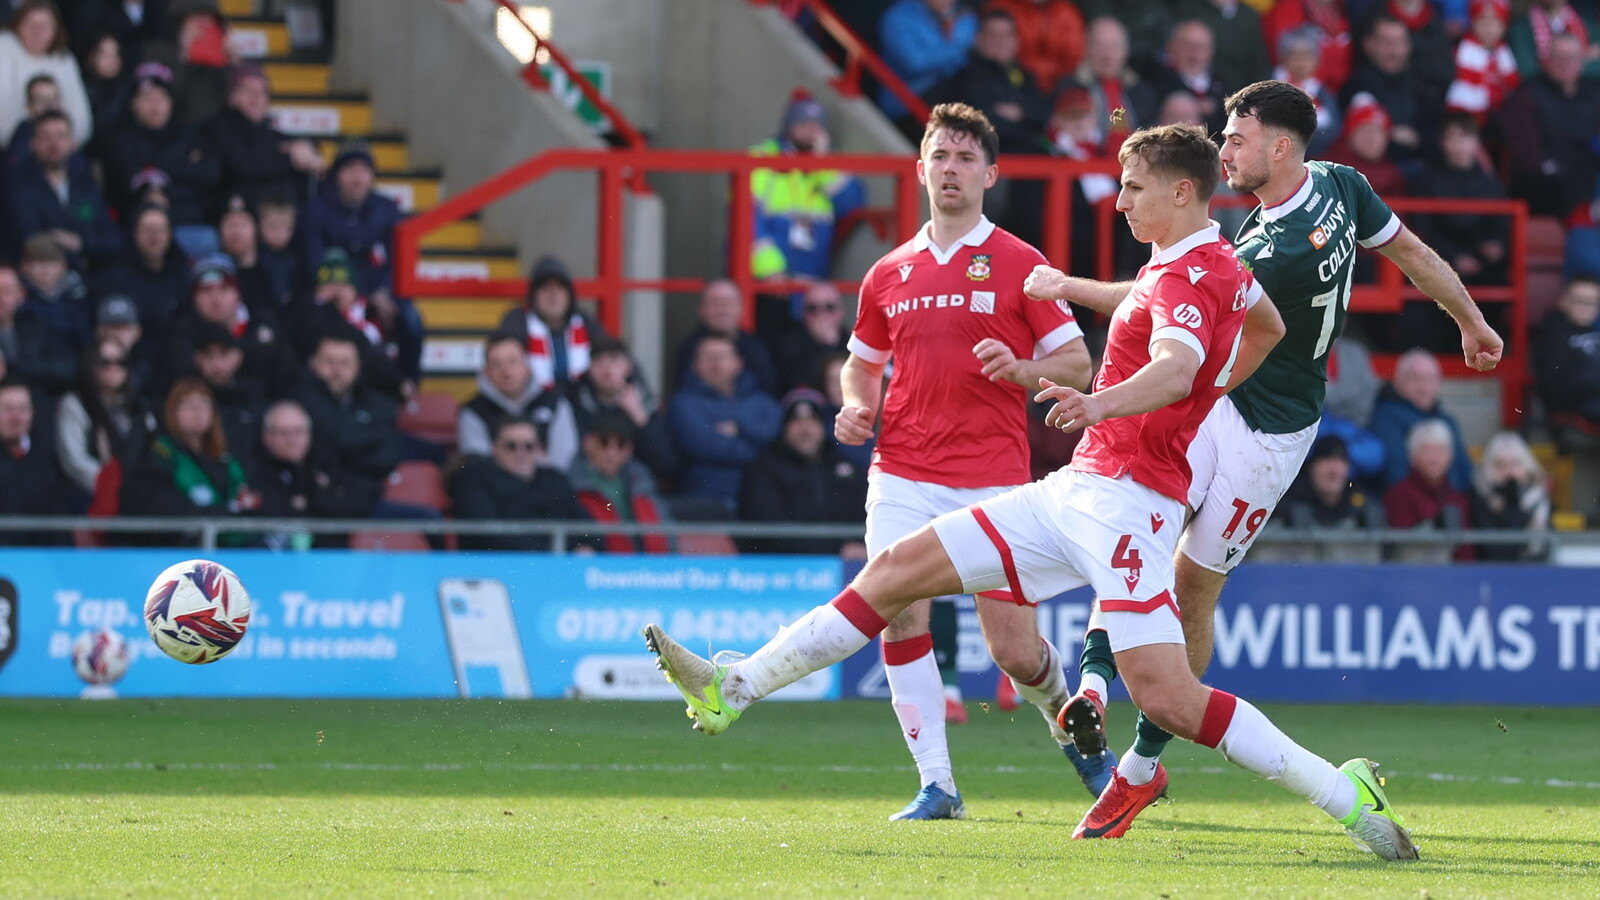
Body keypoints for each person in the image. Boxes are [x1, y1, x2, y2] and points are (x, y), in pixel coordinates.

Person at [647, 124, 1421, 864]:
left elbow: (1179, 367)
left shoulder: (1191, 274)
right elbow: (1269, 327)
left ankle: (1343, 793)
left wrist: (1102, 404)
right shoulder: (1201, 259)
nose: (1119, 202)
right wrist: (1203, 383)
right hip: (1074, 489)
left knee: (1170, 699)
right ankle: (734, 688)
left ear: (1183, 192)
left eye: (1132, 189)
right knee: (894, 574)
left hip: (1130, 505)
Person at [1026, 80, 1500, 837]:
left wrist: (1063, 285)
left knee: (1192, 587)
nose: (1224, 149)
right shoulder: (1342, 185)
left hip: (1271, 436)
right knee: (1136, 515)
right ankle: (1093, 684)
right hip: (1221, 403)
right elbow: (1408, 251)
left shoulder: (1263, 251)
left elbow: (1154, 300)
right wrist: (1471, 322)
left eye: (1237, 137)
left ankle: (1140, 769)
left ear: (1280, 148)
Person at [827, 102, 1090, 820]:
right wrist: (857, 406)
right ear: (920, 169)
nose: (951, 169)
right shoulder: (887, 272)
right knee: (897, 614)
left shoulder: (1021, 262)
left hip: (993, 477)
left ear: (991, 174)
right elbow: (862, 366)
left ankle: (1064, 714)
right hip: (904, 470)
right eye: (940, 156)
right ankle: (937, 785)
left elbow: (1078, 362)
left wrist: (1024, 366)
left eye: (966, 158)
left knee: (1014, 652)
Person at [300, 140, 422, 384]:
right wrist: (356, 292)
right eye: (349, 170)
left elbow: (401, 258)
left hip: (381, 288)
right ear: (336, 175)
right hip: (335, 289)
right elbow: (313, 259)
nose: (357, 178)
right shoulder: (316, 209)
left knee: (411, 320)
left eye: (364, 170)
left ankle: (408, 384)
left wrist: (384, 291)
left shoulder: (387, 209)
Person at [748, 91, 866, 320]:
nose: (810, 130)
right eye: (803, 123)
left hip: (813, 284)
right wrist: (771, 270)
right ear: (789, 125)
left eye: (816, 125)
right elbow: (746, 219)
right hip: (768, 284)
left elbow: (852, 205)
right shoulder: (762, 157)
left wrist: (820, 164)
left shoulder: (828, 164)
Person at [119, 376, 261, 545]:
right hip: (177, 552)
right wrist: (227, 512)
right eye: (187, 404)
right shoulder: (157, 456)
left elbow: (247, 498)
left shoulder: (227, 456)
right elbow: (168, 509)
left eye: (204, 403)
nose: (197, 411)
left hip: (232, 549)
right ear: (172, 411)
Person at [97, 60, 219, 252]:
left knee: (207, 242)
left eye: (161, 97)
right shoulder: (119, 140)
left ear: (171, 102)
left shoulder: (189, 134)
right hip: (135, 228)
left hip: (188, 222)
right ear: (133, 104)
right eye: (147, 98)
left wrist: (160, 170)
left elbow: (211, 175)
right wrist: (181, 168)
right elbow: (123, 185)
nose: (155, 105)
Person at [737, 388, 868, 556]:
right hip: (784, 570)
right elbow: (768, 531)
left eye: (813, 421)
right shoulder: (763, 470)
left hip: (851, 566)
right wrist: (836, 549)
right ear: (784, 427)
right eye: (796, 421)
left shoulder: (848, 467)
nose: (805, 430)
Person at [666, 333, 781, 511]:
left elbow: (777, 442)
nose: (716, 364)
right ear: (694, 364)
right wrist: (755, 446)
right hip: (706, 499)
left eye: (722, 356)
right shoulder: (682, 403)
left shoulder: (763, 402)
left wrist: (740, 429)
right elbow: (702, 445)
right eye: (708, 357)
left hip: (762, 499)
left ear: (738, 363)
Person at [450, 415, 596, 553]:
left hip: (560, 566)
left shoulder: (555, 479)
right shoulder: (474, 478)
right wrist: (550, 552)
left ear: (539, 448)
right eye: (511, 446)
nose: (521, 453)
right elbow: (484, 533)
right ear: (494, 448)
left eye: (529, 446)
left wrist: (585, 547)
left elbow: (586, 527)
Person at [1496, 32, 1600, 218]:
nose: (1567, 63)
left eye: (1573, 57)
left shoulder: (1593, 93)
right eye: (1560, 57)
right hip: (1546, 181)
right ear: (1547, 60)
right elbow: (1527, 156)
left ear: (1582, 61)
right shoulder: (1528, 94)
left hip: (1588, 174)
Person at [249, 399, 376, 549]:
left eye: (298, 432)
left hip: (329, 558)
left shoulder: (327, 464)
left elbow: (355, 505)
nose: (292, 440)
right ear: (267, 436)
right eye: (283, 433)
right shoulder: (253, 470)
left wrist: (309, 500)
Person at [286, 247, 406, 397]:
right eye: (329, 285)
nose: (337, 291)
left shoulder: (373, 315)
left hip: (370, 388)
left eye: (344, 286)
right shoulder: (306, 315)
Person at [203, 64, 326, 209]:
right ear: (231, 96)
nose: (256, 97)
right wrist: (290, 160)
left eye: (262, 92)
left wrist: (310, 158)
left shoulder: (274, 135)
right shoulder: (216, 128)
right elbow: (242, 166)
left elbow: (304, 158)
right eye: (248, 90)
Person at [7, 110, 119, 268]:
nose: (54, 144)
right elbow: (30, 238)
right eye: (46, 137)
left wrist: (81, 244)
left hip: (90, 275)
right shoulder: (19, 186)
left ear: (73, 143)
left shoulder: (86, 184)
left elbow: (111, 238)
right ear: (33, 143)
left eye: (61, 136)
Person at [458, 331, 579, 471]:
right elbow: (477, 462)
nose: (505, 371)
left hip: (547, 487)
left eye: (512, 361)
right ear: (486, 372)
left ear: (527, 366)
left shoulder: (555, 403)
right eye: (496, 364)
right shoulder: (473, 411)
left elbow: (564, 459)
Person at [55, 335, 153, 501]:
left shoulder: (140, 407)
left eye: (121, 362)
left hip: (141, 498)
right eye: (105, 362)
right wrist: (114, 486)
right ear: (90, 365)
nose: (113, 368)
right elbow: (75, 462)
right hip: (91, 499)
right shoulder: (75, 404)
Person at [568, 336, 677, 481]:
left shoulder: (647, 404)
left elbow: (665, 465)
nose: (606, 367)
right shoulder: (574, 404)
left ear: (629, 366)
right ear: (588, 369)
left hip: (635, 484)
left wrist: (639, 416)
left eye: (614, 360)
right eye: (598, 360)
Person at [496, 254, 608, 392]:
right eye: (545, 288)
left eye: (559, 287)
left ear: (569, 294)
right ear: (533, 295)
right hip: (530, 404)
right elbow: (500, 362)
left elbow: (613, 357)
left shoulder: (585, 321)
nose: (553, 294)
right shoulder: (517, 321)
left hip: (582, 404)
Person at [567, 411, 673, 554]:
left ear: (630, 450)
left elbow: (668, 535)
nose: (612, 452)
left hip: (648, 570)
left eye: (621, 444)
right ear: (587, 443)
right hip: (598, 571)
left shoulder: (643, 484)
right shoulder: (569, 485)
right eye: (604, 442)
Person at [1369, 348, 1476, 490]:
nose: (1423, 386)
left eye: (1429, 379)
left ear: (1438, 383)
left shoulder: (1448, 421)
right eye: (1414, 378)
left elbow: (1466, 472)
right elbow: (1396, 473)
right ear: (1398, 381)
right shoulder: (1386, 418)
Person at [1272, 434, 1386, 563]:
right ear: (1311, 467)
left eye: (1341, 462)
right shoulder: (1284, 500)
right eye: (1326, 461)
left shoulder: (1359, 501)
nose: (1334, 470)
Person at [0, 0, 93, 149]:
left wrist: (60, 144)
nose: (37, 32)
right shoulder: (4, 48)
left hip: (61, 151)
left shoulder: (64, 60)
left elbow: (80, 118)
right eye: (31, 24)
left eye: (45, 26)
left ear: (56, 30)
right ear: (17, 25)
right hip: (13, 148)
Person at [1383, 418, 1473, 562]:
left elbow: (1466, 553)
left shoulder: (1458, 499)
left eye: (1440, 450)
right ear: (1412, 455)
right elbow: (1401, 550)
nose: (1434, 458)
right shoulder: (1398, 495)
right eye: (1427, 450)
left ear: (1450, 456)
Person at [671, 278, 778, 398]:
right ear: (701, 309)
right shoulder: (688, 349)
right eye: (715, 302)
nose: (723, 310)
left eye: (729, 302)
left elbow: (768, 393)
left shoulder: (756, 347)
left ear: (742, 308)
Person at [91, 202, 188, 332]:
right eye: (147, 230)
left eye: (160, 230)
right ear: (134, 233)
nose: (154, 237)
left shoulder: (182, 274)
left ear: (170, 234)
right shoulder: (113, 278)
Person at [877, 0, 978, 121]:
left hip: (949, 94)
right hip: (905, 104)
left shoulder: (964, 16)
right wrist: (958, 52)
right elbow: (914, 64)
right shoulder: (900, 15)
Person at [1470, 431, 1551, 561]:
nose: (1509, 472)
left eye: (1515, 464)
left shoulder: (1537, 498)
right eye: (1501, 465)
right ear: (1489, 468)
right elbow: (1494, 552)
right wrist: (1515, 510)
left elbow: (1547, 549)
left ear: (1526, 466)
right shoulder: (1480, 497)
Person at [1143, 20, 1230, 134]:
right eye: (1188, 46)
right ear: (1171, 47)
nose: (1194, 53)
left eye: (1201, 47)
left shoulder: (1224, 84)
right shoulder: (1155, 83)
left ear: (1211, 51)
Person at [1533, 277, 1600, 426]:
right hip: (1577, 407)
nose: (1587, 308)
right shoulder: (1554, 335)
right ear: (1564, 301)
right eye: (1580, 301)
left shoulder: (1594, 332)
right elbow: (1556, 384)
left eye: (1593, 302)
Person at [0, 258, 72, 392]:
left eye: (7, 291)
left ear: (21, 295)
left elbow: (65, 369)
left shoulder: (37, 327)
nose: (1, 298)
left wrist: (16, 368)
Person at [983, 0, 1085, 94]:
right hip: (1011, 80)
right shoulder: (1002, 6)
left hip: (1058, 85)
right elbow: (998, 51)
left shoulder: (1066, 11)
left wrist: (1051, 73)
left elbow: (1074, 54)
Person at [1445, 0, 1520, 122]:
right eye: (1483, 22)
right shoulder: (1463, 51)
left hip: (1500, 111)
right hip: (1469, 115)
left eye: (1494, 23)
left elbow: (1512, 82)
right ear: (1473, 23)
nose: (1488, 28)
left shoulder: (1504, 52)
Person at [774, 281, 850, 394]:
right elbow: (795, 382)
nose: (821, 314)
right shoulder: (790, 344)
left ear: (841, 312)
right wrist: (825, 346)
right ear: (803, 314)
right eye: (812, 308)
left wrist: (832, 345)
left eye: (829, 307)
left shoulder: (853, 341)